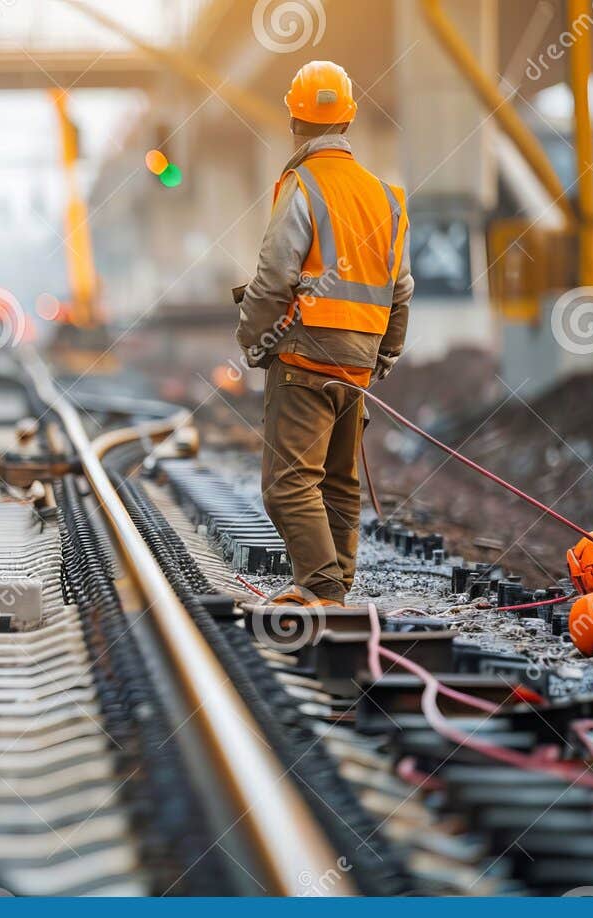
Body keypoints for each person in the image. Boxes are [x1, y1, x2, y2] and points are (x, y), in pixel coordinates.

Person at [236, 60, 413, 606]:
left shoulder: (301, 185)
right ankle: (337, 594)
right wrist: (384, 354)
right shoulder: (385, 196)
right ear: (350, 120)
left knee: (288, 484)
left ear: (295, 120)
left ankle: (321, 589)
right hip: (356, 365)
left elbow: (272, 280)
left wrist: (252, 340)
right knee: (338, 484)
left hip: (305, 359)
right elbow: (400, 289)